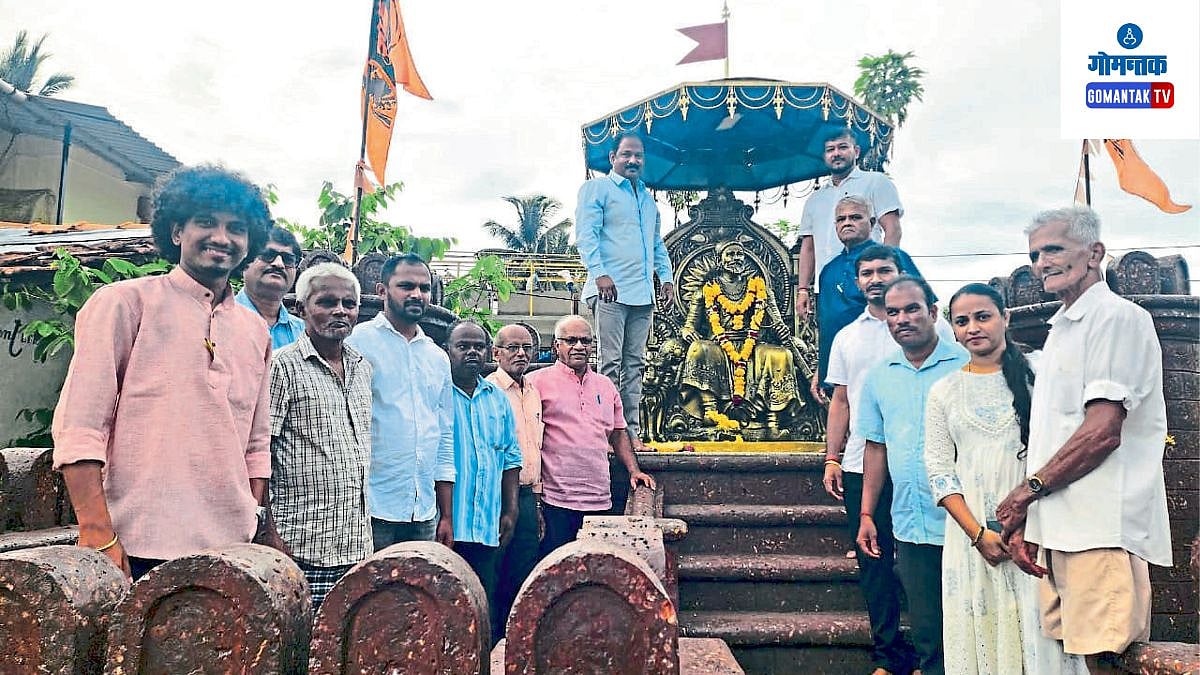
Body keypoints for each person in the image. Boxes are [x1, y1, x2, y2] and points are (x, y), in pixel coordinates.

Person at [52, 165, 274, 580]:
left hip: (229, 551)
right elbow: (80, 426)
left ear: (250, 242)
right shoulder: (124, 304)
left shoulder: (255, 330)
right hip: (134, 544)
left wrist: (249, 521)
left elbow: (256, 446)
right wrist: (97, 534)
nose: (222, 237)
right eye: (205, 222)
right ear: (176, 231)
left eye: (236, 228)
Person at [996, 207, 1170, 671]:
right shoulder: (1063, 328)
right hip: (1063, 526)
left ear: (1095, 254)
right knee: (1088, 659)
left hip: (1100, 526)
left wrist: (1026, 493)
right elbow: (1055, 436)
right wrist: (1032, 520)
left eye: (1053, 249)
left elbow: (1102, 432)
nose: (1042, 262)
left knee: (1111, 657)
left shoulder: (1116, 318)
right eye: (1034, 255)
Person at [925, 283, 1085, 674]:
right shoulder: (943, 392)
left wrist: (1029, 518)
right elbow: (940, 472)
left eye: (983, 317)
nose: (973, 328)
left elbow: (1069, 450)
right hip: (974, 541)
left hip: (1040, 530)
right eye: (961, 321)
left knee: (1044, 638)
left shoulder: (1041, 374)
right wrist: (978, 535)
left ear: (1005, 317)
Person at [823, 246, 953, 675]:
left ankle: (937, 655)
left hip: (926, 462)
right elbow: (841, 401)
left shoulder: (939, 332)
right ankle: (889, 654)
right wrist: (832, 457)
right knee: (875, 563)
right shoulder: (848, 336)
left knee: (929, 560)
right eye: (867, 273)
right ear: (857, 282)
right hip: (866, 461)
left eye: (884, 270)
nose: (875, 279)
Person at [855, 276, 969, 675]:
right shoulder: (880, 376)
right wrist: (867, 514)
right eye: (893, 312)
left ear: (933, 313)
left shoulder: (967, 364)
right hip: (912, 523)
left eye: (912, 309)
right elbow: (876, 447)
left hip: (967, 523)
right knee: (927, 631)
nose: (902, 319)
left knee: (973, 625)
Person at [261, 263, 373, 610]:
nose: (340, 311)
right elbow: (260, 450)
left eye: (348, 303)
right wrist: (268, 533)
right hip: (300, 546)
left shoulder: (362, 367)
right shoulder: (281, 366)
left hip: (356, 546)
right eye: (326, 302)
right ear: (301, 308)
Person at [347, 253, 455, 550]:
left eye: (424, 288)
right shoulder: (357, 343)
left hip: (424, 511)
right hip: (371, 507)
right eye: (406, 286)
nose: (417, 294)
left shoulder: (437, 357)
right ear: (382, 291)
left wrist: (446, 514)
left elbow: (444, 435)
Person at [575, 130, 674, 447]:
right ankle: (606, 434)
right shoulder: (597, 189)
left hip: (642, 294)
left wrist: (667, 277)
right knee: (610, 364)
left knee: (636, 365)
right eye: (626, 154)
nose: (633, 160)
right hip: (611, 291)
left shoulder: (647, 199)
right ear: (612, 157)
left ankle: (630, 433)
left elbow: (656, 244)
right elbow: (586, 236)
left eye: (638, 155)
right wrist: (599, 273)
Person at [527, 315, 656, 555]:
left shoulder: (605, 385)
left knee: (596, 567)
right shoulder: (536, 383)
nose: (579, 346)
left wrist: (634, 470)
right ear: (556, 346)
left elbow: (618, 433)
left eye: (585, 341)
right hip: (555, 501)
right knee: (555, 567)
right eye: (571, 340)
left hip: (599, 499)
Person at [445, 320, 522, 642]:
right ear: (448, 350)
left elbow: (510, 457)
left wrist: (511, 510)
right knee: (446, 610)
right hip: (448, 528)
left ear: (489, 352)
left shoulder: (497, 399)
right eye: (463, 346)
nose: (472, 352)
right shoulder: (438, 394)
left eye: (478, 346)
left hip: (487, 526)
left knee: (481, 608)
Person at [812, 196, 925, 404]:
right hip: (840, 377)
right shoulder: (828, 271)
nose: (847, 223)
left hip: (887, 371)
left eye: (855, 217)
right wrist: (823, 368)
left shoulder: (893, 259)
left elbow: (924, 314)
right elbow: (828, 325)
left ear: (872, 223)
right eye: (841, 219)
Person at [796, 127, 904, 316]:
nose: (836, 153)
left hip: (868, 282)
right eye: (830, 149)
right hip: (827, 286)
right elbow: (808, 247)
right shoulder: (815, 199)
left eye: (842, 147)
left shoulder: (876, 182)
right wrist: (803, 289)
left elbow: (893, 229)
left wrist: (886, 274)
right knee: (831, 334)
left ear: (856, 151)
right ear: (825, 156)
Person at [486, 324, 544, 639]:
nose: (521, 353)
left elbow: (535, 448)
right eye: (512, 347)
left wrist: (536, 500)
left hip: (526, 497)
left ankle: (517, 643)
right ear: (496, 353)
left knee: (524, 571)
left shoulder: (533, 391)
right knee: (494, 572)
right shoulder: (488, 391)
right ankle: (492, 642)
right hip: (495, 496)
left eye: (526, 347)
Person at [236, 225, 305, 349]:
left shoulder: (303, 332)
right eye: (268, 255)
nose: (279, 264)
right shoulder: (215, 322)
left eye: (288, 259)